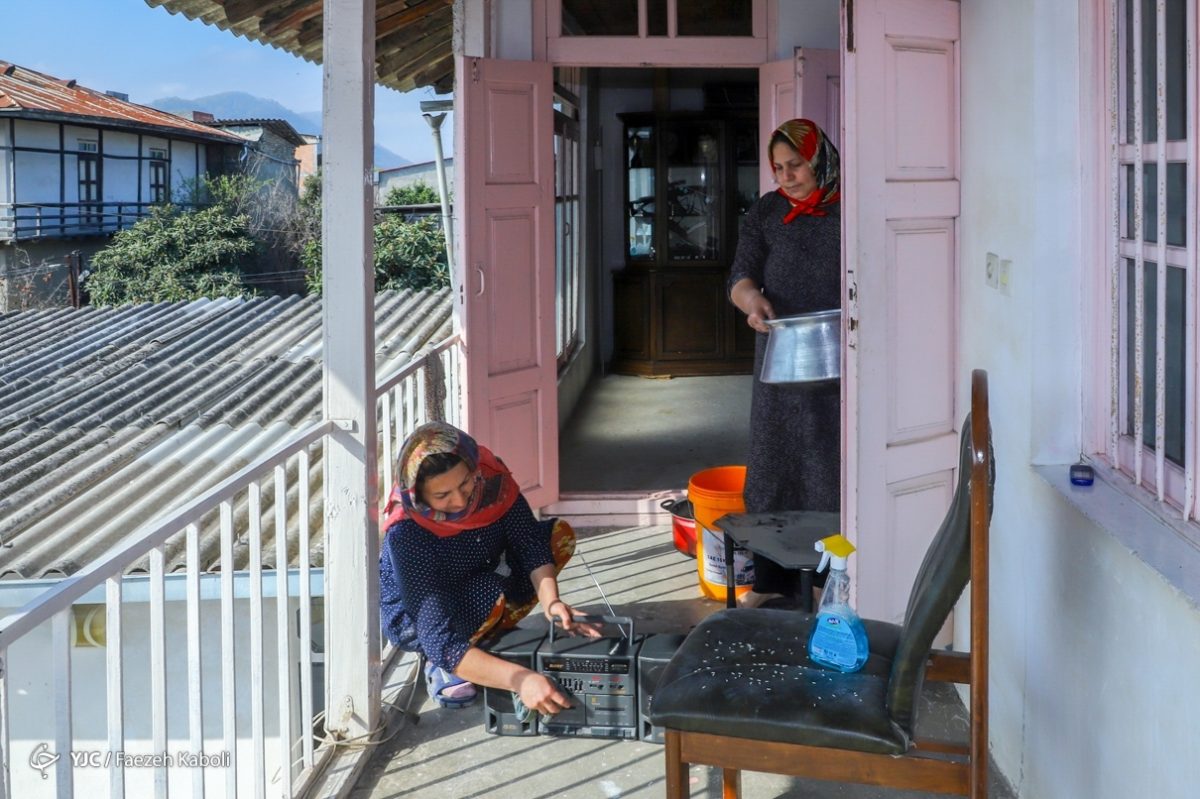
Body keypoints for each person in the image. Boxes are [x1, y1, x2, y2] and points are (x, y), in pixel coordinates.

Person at [379, 422, 599, 712]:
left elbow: (529, 541)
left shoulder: (493, 482)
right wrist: (520, 679)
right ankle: (447, 663)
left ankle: (481, 644)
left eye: (465, 483)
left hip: (479, 569)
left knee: (557, 537)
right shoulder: (408, 533)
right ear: (418, 494)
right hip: (424, 617)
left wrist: (552, 602)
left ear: (474, 467)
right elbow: (437, 636)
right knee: (487, 593)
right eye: (442, 496)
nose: (460, 501)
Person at [727, 118, 842, 609]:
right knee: (773, 469)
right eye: (778, 168)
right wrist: (752, 301)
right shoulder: (767, 212)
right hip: (780, 355)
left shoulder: (850, 208)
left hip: (839, 357)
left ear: (819, 158)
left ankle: (826, 583)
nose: (787, 176)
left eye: (796, 164)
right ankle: (771, 580)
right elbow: (741, 275)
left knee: (828, 469)